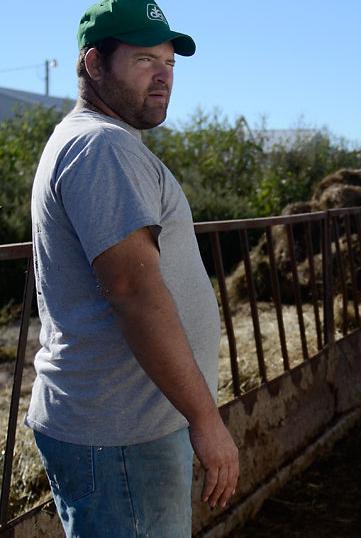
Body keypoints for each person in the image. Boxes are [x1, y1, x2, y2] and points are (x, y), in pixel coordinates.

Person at [28, 1, 239, 535]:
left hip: (124, 428)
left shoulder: (103, 143)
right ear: (94, 64)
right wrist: (205, 418)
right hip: (121, 437)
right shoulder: (100, 147)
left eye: (170, 62)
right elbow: (133, 291)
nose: (164, 76)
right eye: (145, 59)